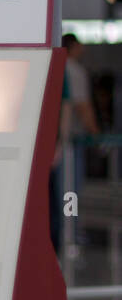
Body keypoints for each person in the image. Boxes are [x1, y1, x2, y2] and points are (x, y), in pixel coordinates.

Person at [53, 34, 99, 253]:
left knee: (60, 192)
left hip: (54, 142)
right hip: (68, 142)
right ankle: (70, 233)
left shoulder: (54, 66)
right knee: (70, 191)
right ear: (72, 46)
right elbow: (80, 105)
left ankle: (63, 233)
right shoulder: (74, 71)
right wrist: (95, 132)